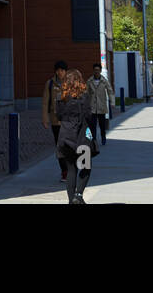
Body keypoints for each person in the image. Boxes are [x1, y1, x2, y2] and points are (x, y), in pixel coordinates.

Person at [55, 69, 96, 204]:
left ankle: (71, 200)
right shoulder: (84, 97)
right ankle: (78, 195)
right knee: (85, 167)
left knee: (71, 168)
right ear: (80, 81)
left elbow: (59, 115)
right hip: (81, 138)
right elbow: (89, 116)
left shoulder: (61, 97)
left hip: (66, 137)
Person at [42, 60, 69, 180]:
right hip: (55, 120)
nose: (60, 72)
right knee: (59, 147)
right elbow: (45, 102)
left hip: (69, 121)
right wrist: (45, 118)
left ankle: (70, 169)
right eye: (58, 70)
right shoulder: (50, 84)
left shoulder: (71, 83)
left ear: (66, 71)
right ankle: (64, 171)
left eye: (62, 70)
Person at [86, 63, 115, 145]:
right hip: (92, 107)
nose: (96, 72)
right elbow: (86, 93)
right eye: (95, 70)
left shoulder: (104, 81)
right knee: (92, 125)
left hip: (101, 106)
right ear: (93, 71)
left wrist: (112, 102)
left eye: (98, 70)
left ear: (100, 71)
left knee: (102, 125)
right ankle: (93, 140)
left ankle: (103, 137)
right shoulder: (89, 81)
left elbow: (110, 91)